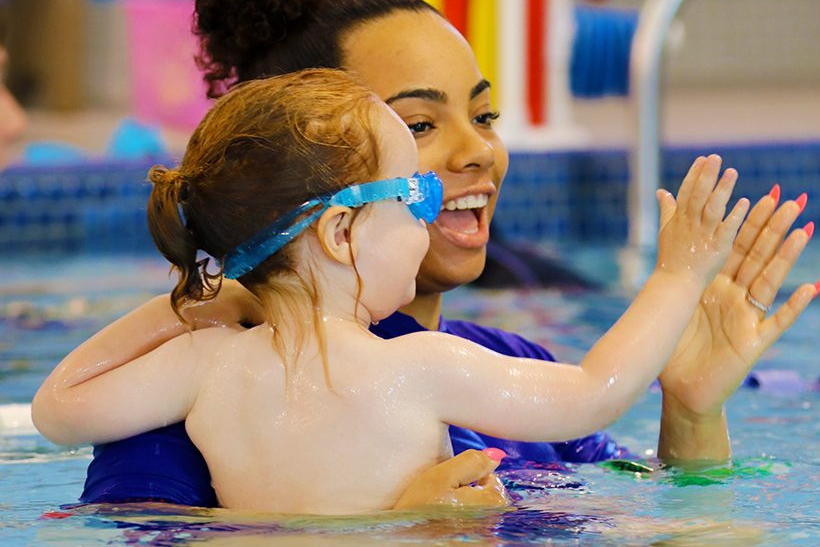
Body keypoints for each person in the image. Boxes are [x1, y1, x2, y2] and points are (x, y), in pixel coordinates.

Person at [68, 0, 820, 508]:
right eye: (418, 129)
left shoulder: (500, 357)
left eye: (484, 114)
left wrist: (689, 411)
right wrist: (383, 527)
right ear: (315, 195)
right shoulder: (184, 413)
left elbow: (657, 537)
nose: (479, 153)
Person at [34, 66, 751, 514]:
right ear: (341, 234)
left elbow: (57, 410)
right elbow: (594, 392)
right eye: (416, 195)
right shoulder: (416, 366)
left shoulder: (201, 367)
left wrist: (197, 297)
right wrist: (677, 275)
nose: (431, 214)